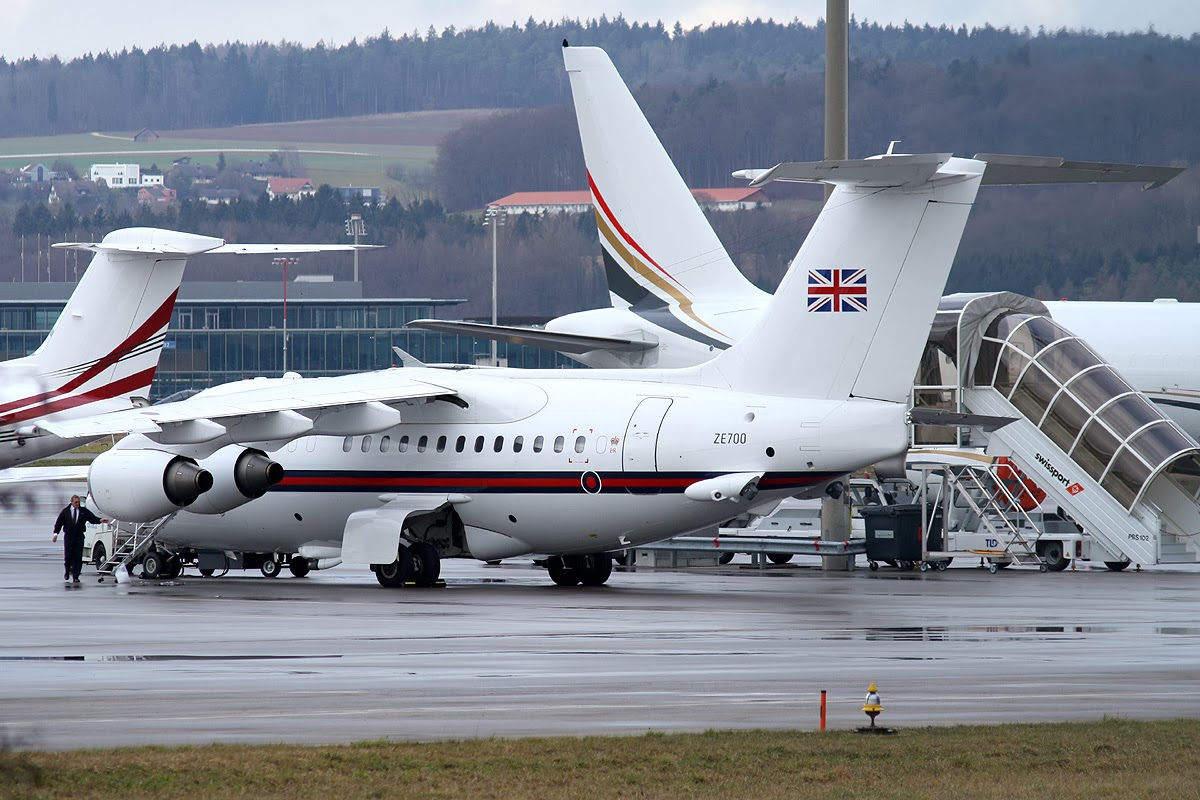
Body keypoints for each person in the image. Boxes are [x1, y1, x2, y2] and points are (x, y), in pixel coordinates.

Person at [53, 495, 103, 584]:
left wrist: (100, 520)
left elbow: (91, 518)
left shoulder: (83, 511)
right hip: (69, 536)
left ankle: (76, 576)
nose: (77, 504)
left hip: (79, 536)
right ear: (71, 502)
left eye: (78, 502)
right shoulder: (66, 512)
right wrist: (56, 533)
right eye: (76, 502)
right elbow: (59, 522)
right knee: (68, 556)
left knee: (78, 557)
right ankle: (67, 571)